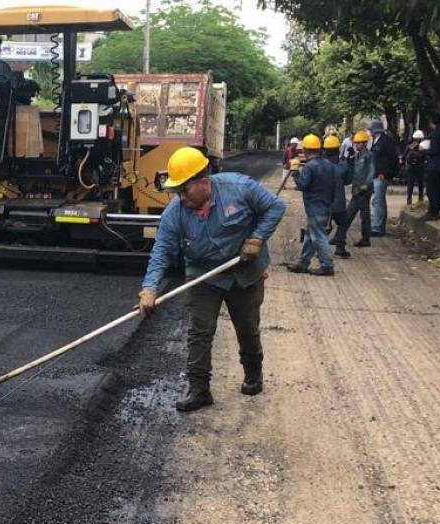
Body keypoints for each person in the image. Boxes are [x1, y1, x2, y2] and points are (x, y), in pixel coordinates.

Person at [138, 146, 285, 412]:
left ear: (203, 181)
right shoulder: (175, 212)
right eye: (177, 191)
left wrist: (257, 238)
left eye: (185, 190)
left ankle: (253, 374)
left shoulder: (239, 188)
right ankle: (199, 389)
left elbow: (275, 207)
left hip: (244, 270)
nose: (181, 197)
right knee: (200, 332)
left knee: (247, 327)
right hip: (204, 275)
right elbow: (162, 250)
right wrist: (149, 288)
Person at [288, 134, 340, 276]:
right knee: (311, 235)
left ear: (305, 149)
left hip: (315, 206)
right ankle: (303, 262)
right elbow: (335, 186)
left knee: (318, 236)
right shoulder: (329, 165)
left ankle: (327, 265)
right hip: (326, 205)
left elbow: (303, 185)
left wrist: (294, 173)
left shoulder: (310, 167)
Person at [323, 134, 353, 258]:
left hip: (323, 203)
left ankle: (320, 251)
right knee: (343, 224)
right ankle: (340, 248)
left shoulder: (319, 166)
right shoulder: (342, 166)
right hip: (338, 203)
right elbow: (348, 180)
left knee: (322, 228)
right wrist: (351, 164)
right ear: (338, 149)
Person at [367, 120, 397, 236]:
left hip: (381, 175)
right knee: (377, 201)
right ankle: (378, 225)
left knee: (378, 201)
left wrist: (385, 172)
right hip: (375, 174)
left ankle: (378, 227)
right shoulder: (376, 141)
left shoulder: (386, 142)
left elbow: (391, 159)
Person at [347, 130, 375, 248]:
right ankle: (340, 236)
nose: (356, 145)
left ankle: (365, 238)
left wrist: (366, 185)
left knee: (364, 215)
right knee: (349, 213)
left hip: (364, 190)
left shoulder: (369, 155)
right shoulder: (357, 155)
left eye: (359, 143)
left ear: (364, 143)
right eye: (355, 143)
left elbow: (371, 171)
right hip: (356, 189)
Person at [422, 114, 440, 221]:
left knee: (431, 189)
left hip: (434, 164)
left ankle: (433, 212)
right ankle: (435, 211)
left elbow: (434, 150)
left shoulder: (436, 134)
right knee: (437, 188)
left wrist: (424, 151)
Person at [404, 130, 426, 206]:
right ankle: (420, 198)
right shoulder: (422, 147)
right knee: (420, 183)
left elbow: (404, 156)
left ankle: (409, 199)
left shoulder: (410, 146)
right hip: (419, 167)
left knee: (411, 183)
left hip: (412, 167)